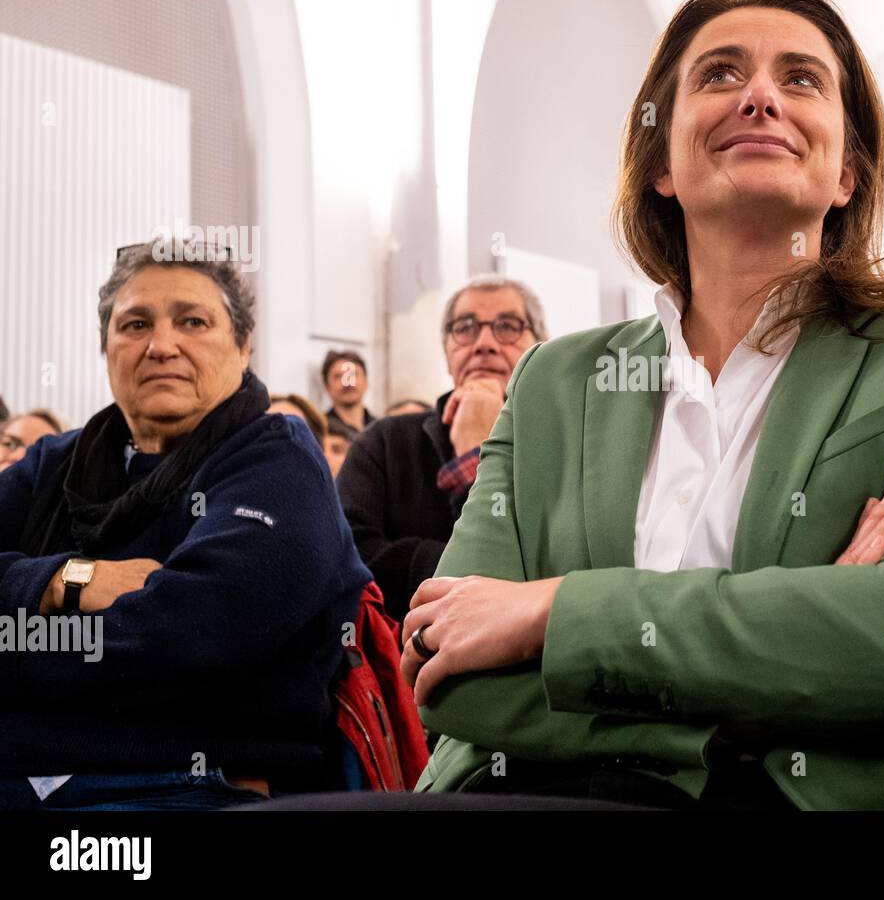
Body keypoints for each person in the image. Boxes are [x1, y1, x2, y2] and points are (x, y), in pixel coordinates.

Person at [400, 0, 884, 810]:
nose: (761, 95)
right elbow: (449, 672)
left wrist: (556, 613)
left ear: (847, 173)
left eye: (802, 79)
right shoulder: (553, 380)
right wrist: (756, 705)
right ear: (660, 163)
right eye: (720, 75)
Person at [0, 239, 369, 810]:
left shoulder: (277, 461)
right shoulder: (53, 464)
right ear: (107, 349)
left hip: (187, 788)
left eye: (193, 321)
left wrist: (19, 635)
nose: (161, 345)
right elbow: (148, 636)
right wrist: (63, 581)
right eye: (135, 324)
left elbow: (193, 635)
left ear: (243, 345)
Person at [336, 275, 548, 625]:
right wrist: (462, 577)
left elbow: (558, 567)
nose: (484, 343)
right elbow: (347, 554)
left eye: (507, 326)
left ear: (540, 346)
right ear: (448, 351)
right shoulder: (384, 441)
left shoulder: (569, 441)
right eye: (464, 327)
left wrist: (477, 456)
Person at [321, 349, 374, 439]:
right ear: (327, 386)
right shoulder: (318, 430)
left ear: (366, 382)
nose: (348, 382)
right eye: (338, 376)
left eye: (353, 374)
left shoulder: (381, 429)